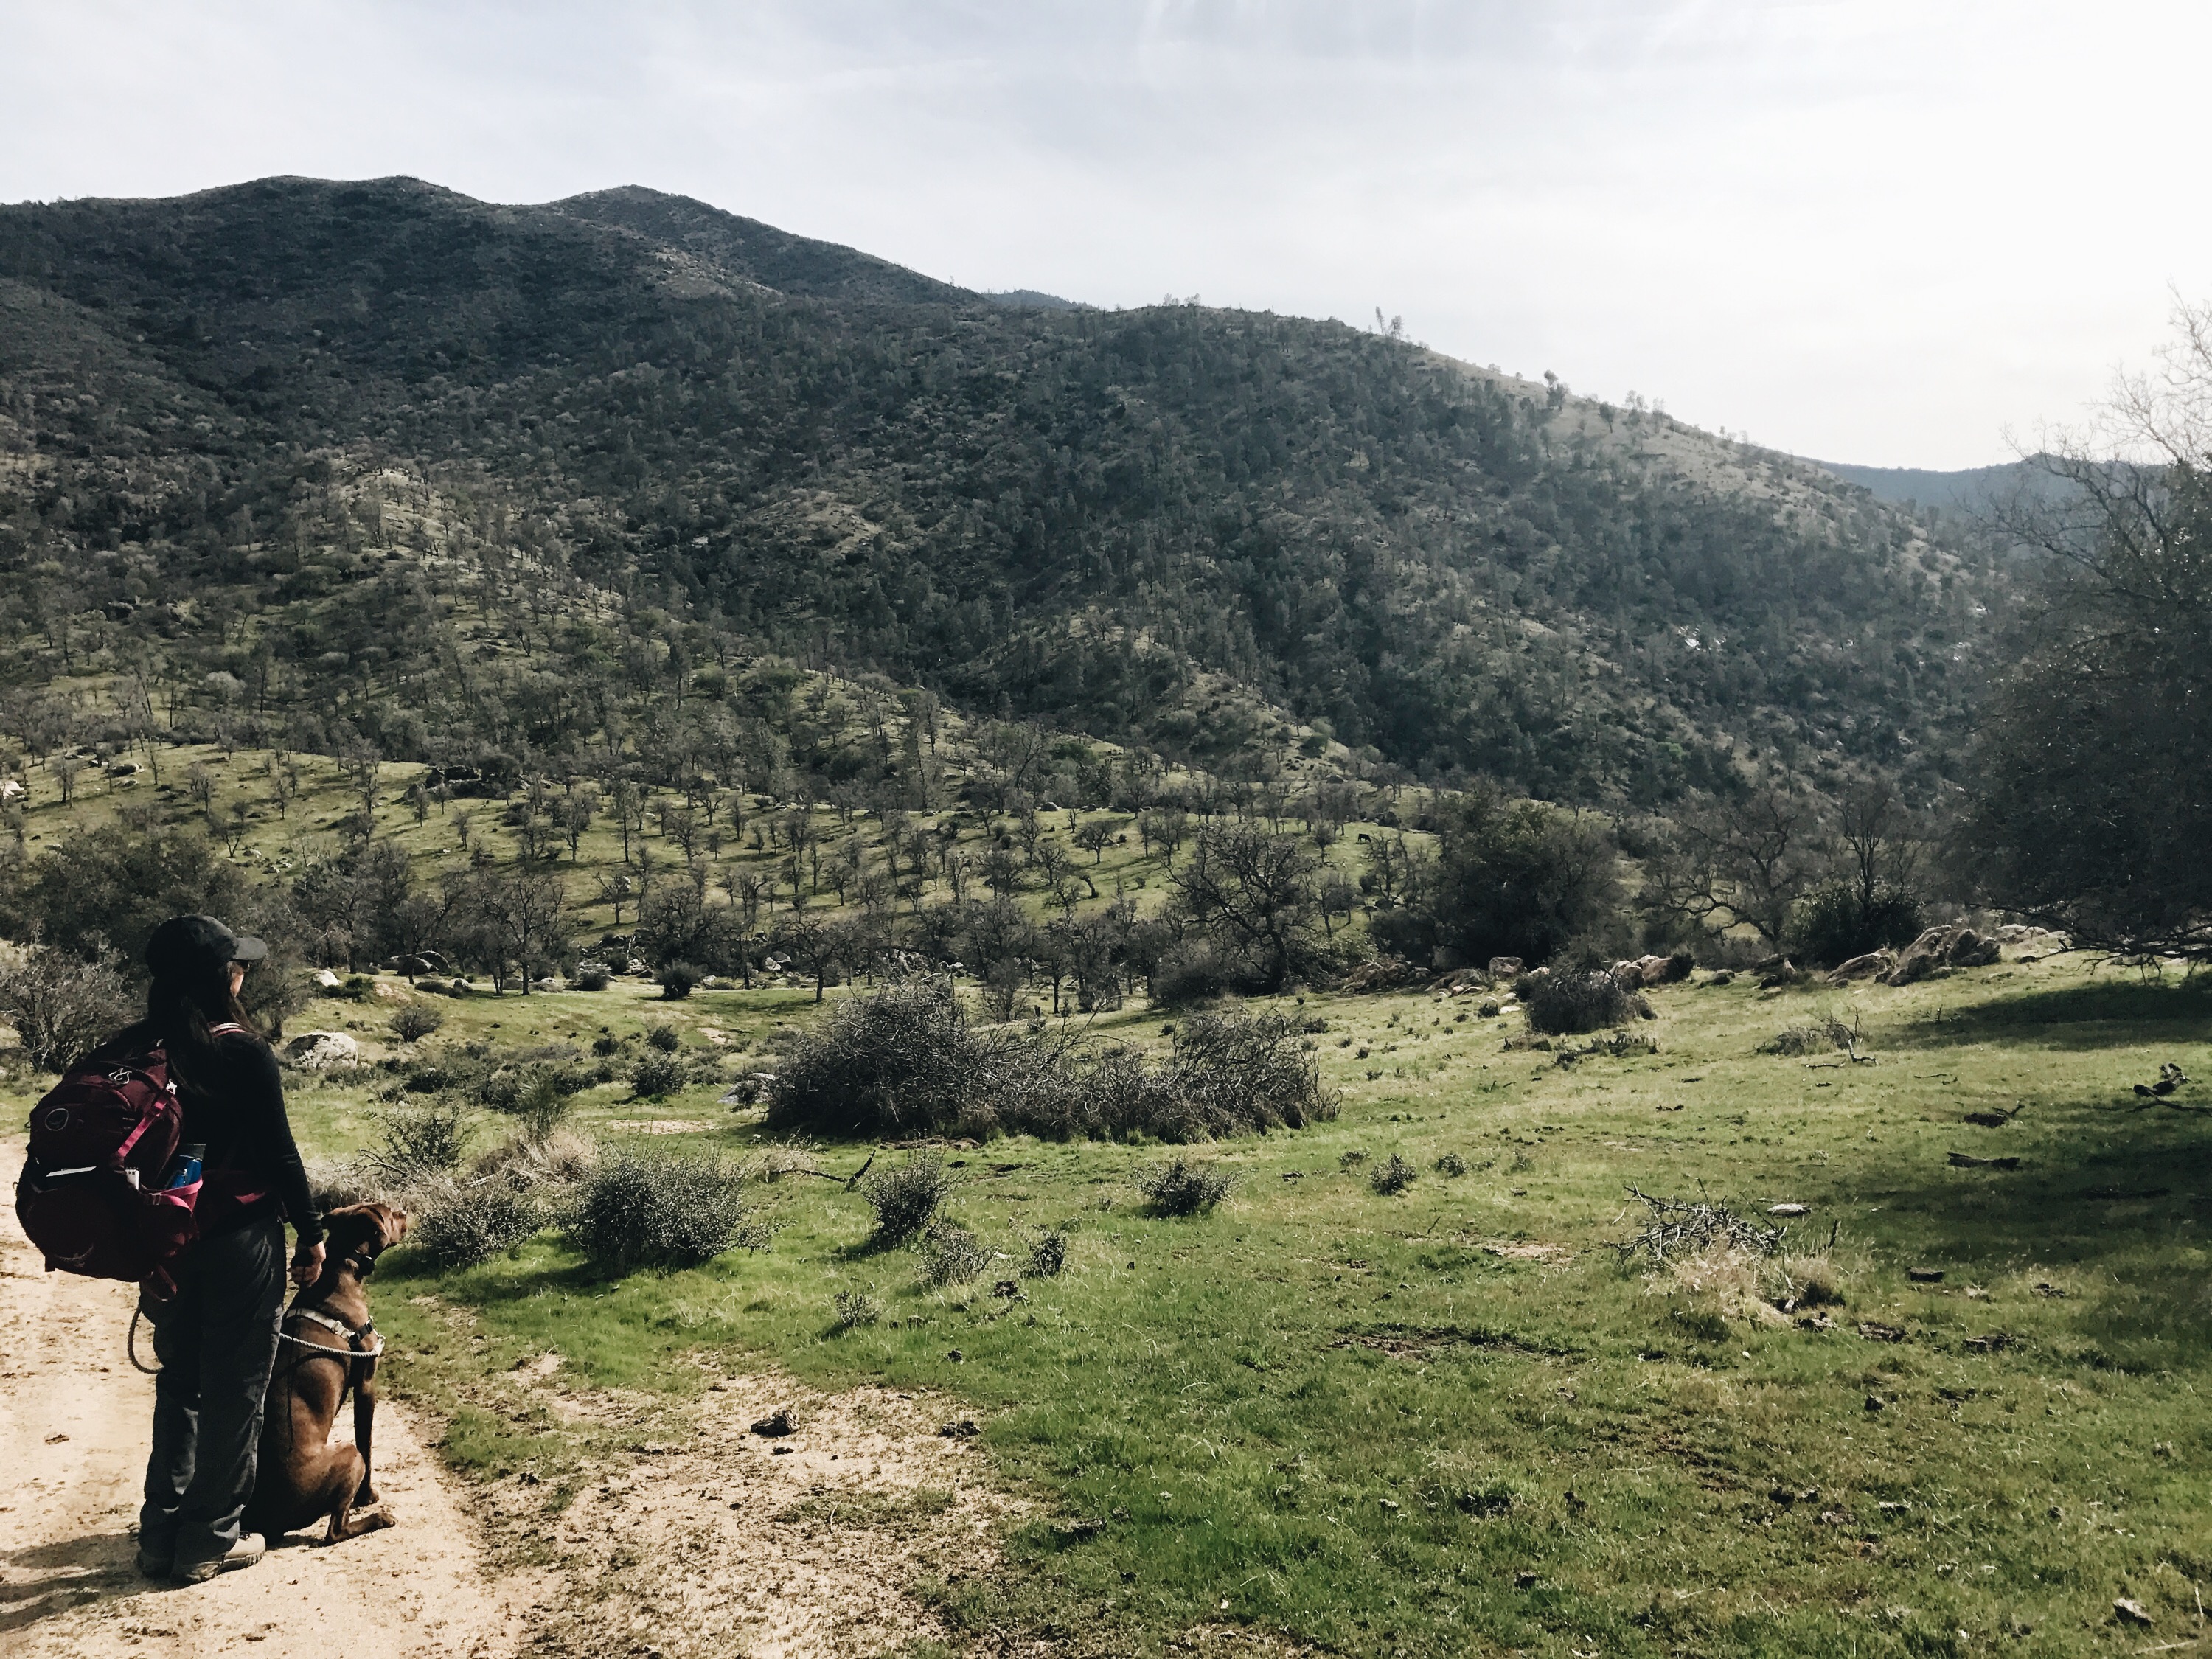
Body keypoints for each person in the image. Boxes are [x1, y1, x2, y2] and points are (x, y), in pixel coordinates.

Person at [120, 914, 326, 1584]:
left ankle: (161, 1533)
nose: (242, 972)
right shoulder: (240, 1049)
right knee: (235, 1386)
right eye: (236, 964)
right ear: (222, 976)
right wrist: (311, 1233)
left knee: (180, 1380)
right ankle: (211, 1536)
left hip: (164, 1240)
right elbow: (280, 1153)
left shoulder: (136, 1048)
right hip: (239, 1237)